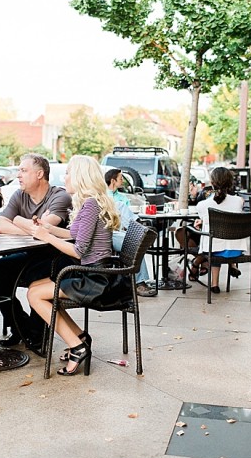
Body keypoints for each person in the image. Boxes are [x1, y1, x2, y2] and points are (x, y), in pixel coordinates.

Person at [26, 155, 121, 375]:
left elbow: (78, 251)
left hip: (95, 278)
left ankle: (78, 347)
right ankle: (79, 336)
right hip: (93, 272)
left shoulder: (90, 205)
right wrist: (47, 229)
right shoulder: (92, 203)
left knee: (34, 295)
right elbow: (73, 234)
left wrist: (47, 237)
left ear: (80, 176)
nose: (65, 176)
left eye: (68, 172)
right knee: (34, 287)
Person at [0, 153, 73, 353]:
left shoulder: (59, 196)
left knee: (37, 275)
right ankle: (20, 328)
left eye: (23, 170)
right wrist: (29, 227)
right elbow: (0, 225)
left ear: (40, 174)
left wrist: (16, 220)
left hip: (54, 257)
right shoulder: (19, 194)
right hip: (28, 254)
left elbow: (46, 228)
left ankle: (38, 335)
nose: (18, 175)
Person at [189, 166, 247, 294]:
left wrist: (202, 222)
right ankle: (231, 266)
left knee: (215, 244)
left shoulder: (203, 205)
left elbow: (209, 216)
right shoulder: (239, 201)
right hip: (235, 250)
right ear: (230, 182)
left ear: (212, 183)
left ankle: (214, 284)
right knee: (220, 243)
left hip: (213, 250)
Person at [105, 167, 155, 297]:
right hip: (109, 231)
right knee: (136, 242)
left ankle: (139, 230)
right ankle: (139, 283)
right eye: (121, 178)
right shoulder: (104, 196)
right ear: (113, 181)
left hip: (122, 229)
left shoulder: (122, 196)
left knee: (136, 241)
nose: (123, 181)